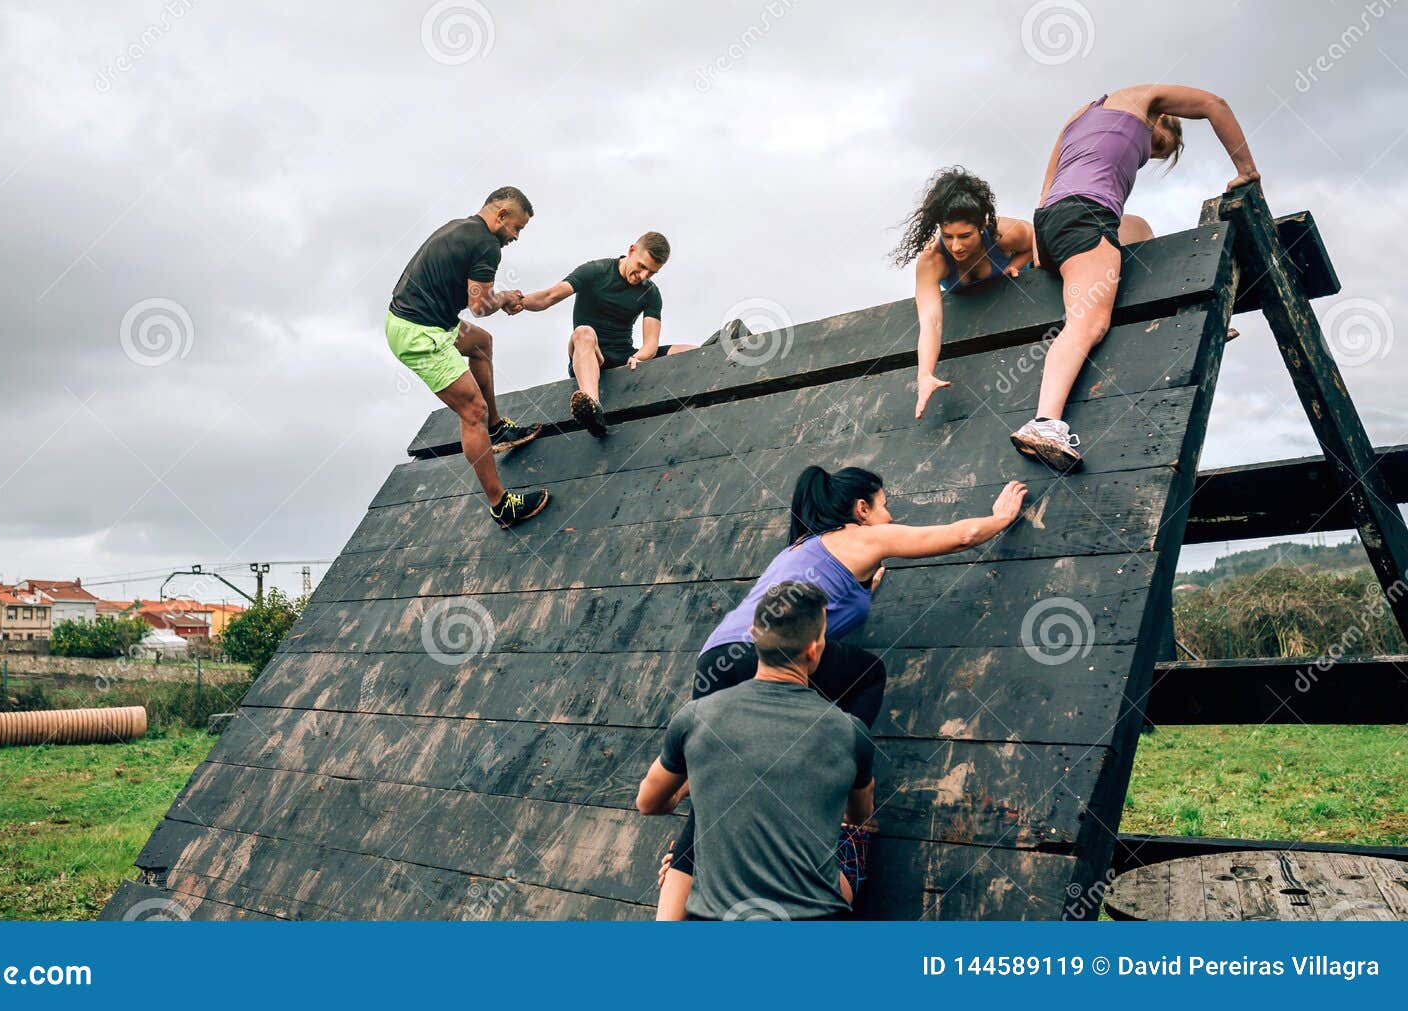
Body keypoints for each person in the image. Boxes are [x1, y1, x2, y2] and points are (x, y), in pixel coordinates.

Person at [654, 465, 1030, 919]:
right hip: (758, 657)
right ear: (861, 508)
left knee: (704, 824)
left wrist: (863, 588)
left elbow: (819, 601)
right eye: (885, 504)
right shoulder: (860, 537)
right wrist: (1001, 518)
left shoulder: (800, 550)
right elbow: (962, 535)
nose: (890, 516)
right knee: (868, 675)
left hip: (717, 658)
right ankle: (830, 766)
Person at [1011, 85, 1260, 472]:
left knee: (1138, 228)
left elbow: (1047, 186)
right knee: (1087, 323)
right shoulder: (1146, 99)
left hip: (1053, 220)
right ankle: (1045, 424)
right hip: (1085, 214)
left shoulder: (1080, 113)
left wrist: (1045, 250)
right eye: (1158, 147)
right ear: (1166, 123)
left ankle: (1188, 317)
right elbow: (1216, 104)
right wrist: (1247, 170)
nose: (1152, 153)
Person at [636, 581, 875, 921]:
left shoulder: (695, 717)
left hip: (719, 917)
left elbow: (648, 802)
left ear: (753, 634)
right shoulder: (851, 732)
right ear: (813, 650)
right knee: (858, 838)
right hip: (815, 919)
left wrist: (677, 801)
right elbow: (858, 816)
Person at [891, 167, 1153, 420]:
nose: (956, 246)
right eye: (947, 236)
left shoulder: (1006, 233)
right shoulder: (933, 260)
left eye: (965, 235)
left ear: (982, 224)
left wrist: (1015, 265)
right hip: (992, 335)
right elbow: (931, 320)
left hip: (1039, 307)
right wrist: (925, 373)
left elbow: (1039, 244)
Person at [385, 187, 551, 528]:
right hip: (420, 334)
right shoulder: (487, 245)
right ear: (501, 215)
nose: (516, 237)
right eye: (516, 228)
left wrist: (497, 295)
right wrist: (504, 297)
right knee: (471, 409)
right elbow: (480, 305)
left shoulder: (459, 226)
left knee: (480, 344)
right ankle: (501, 505)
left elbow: (468, 293)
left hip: (429, 322)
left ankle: (496, 428)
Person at [519, 233, 698, 438]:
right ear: (631, 250)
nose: (643, 276)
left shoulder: (650, 292)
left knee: (692, 351)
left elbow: (651, 344)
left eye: (651, 273)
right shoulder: (596, 271)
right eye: (641, 266)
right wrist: (518, 302)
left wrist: (639, 357)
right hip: (590, 354)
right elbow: (549, 297)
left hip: (625, 357)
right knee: (583, 332)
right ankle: (592, 407)